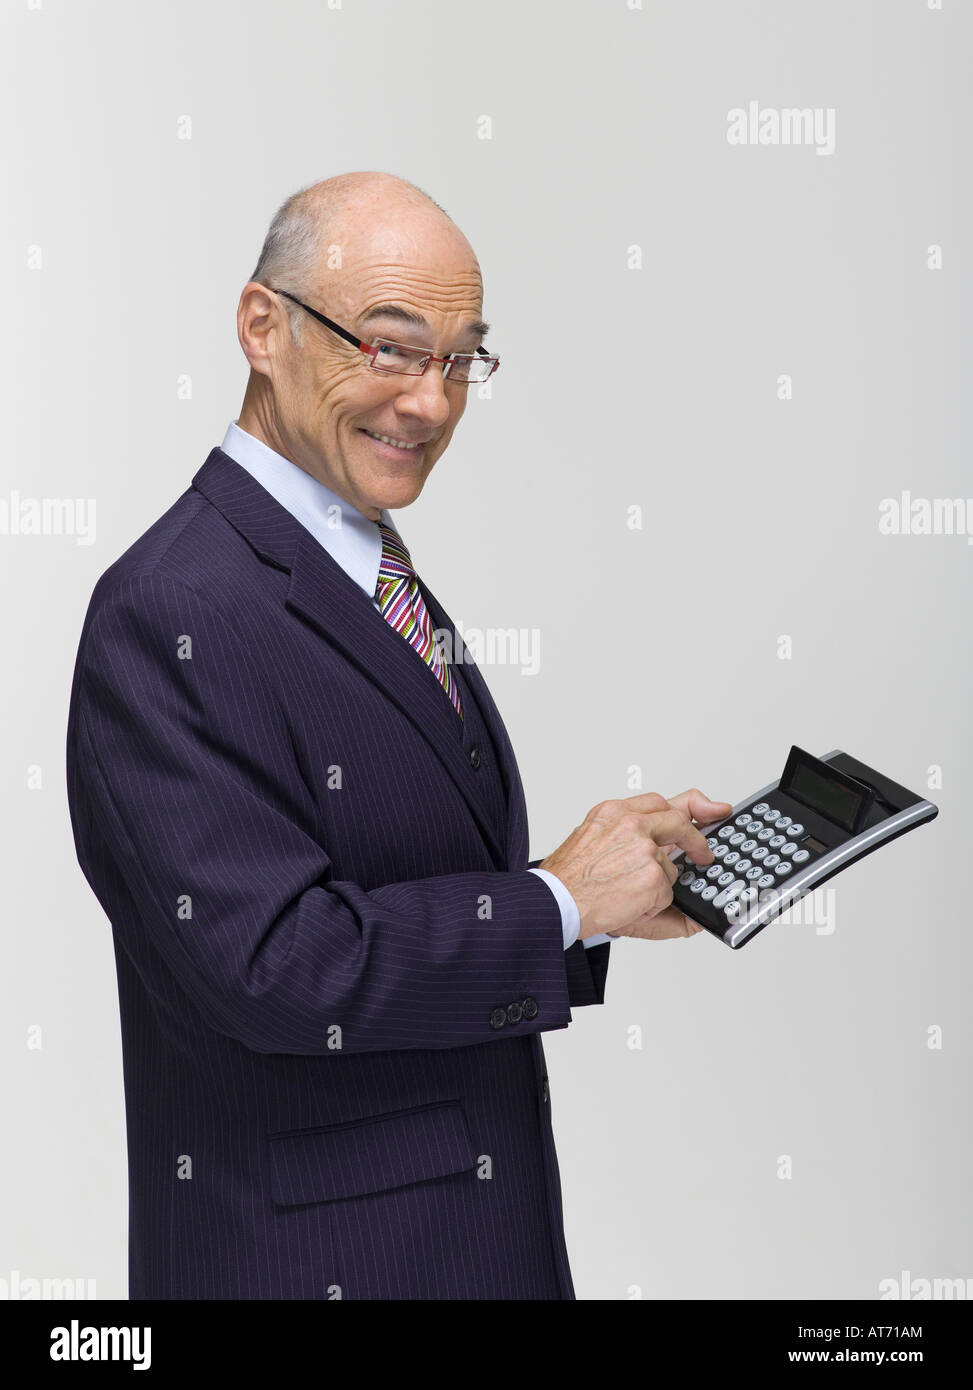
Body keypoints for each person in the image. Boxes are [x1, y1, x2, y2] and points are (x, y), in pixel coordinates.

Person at [65, 170, 731, 1300]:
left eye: (459, 357)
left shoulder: (361, 562)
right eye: (389, 346)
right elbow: (279, 967)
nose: (430, 402)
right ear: (260, 326)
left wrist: (601, 896)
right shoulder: (168, 607)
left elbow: (397, 890)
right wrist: (557, 897)